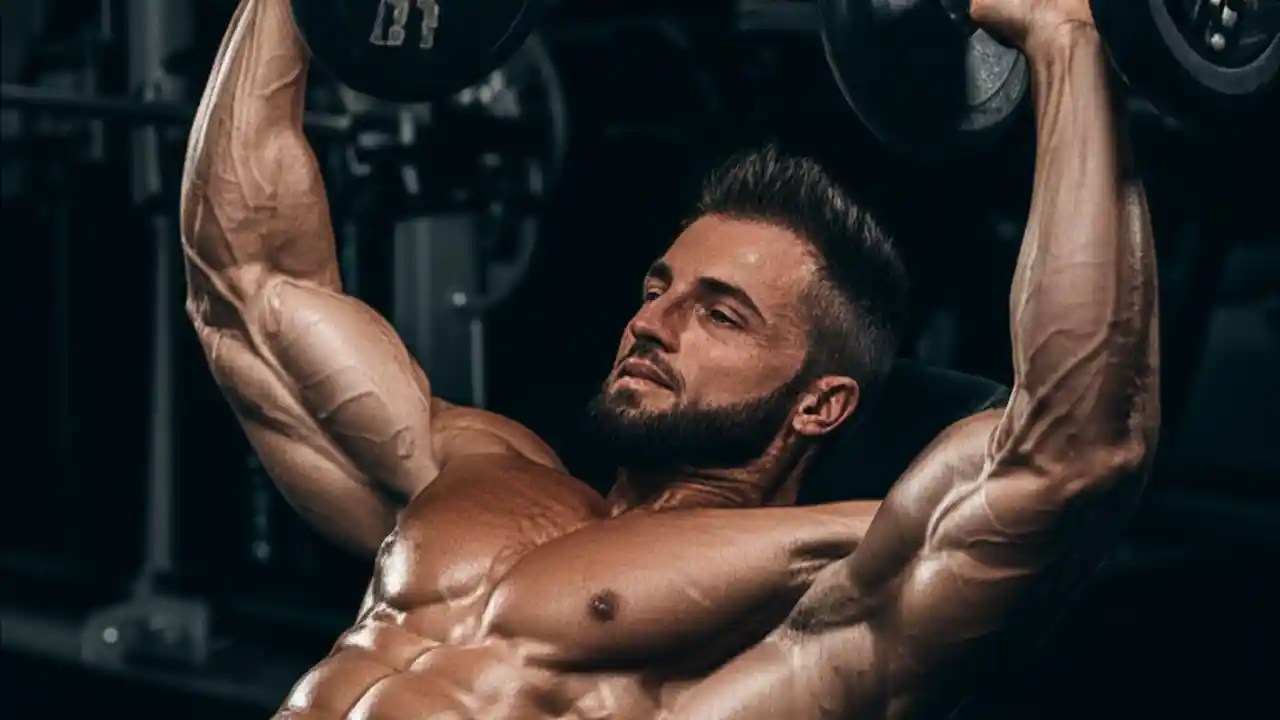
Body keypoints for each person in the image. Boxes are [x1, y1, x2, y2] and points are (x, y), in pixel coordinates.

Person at [179, 0, 1159, 717]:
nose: (654, 322)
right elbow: (249, 285)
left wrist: (1066, 40)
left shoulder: (812, 601)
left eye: (719, 315)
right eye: (658, 288)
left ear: (820, 404)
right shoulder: (477, 471)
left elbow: (1072, 449)